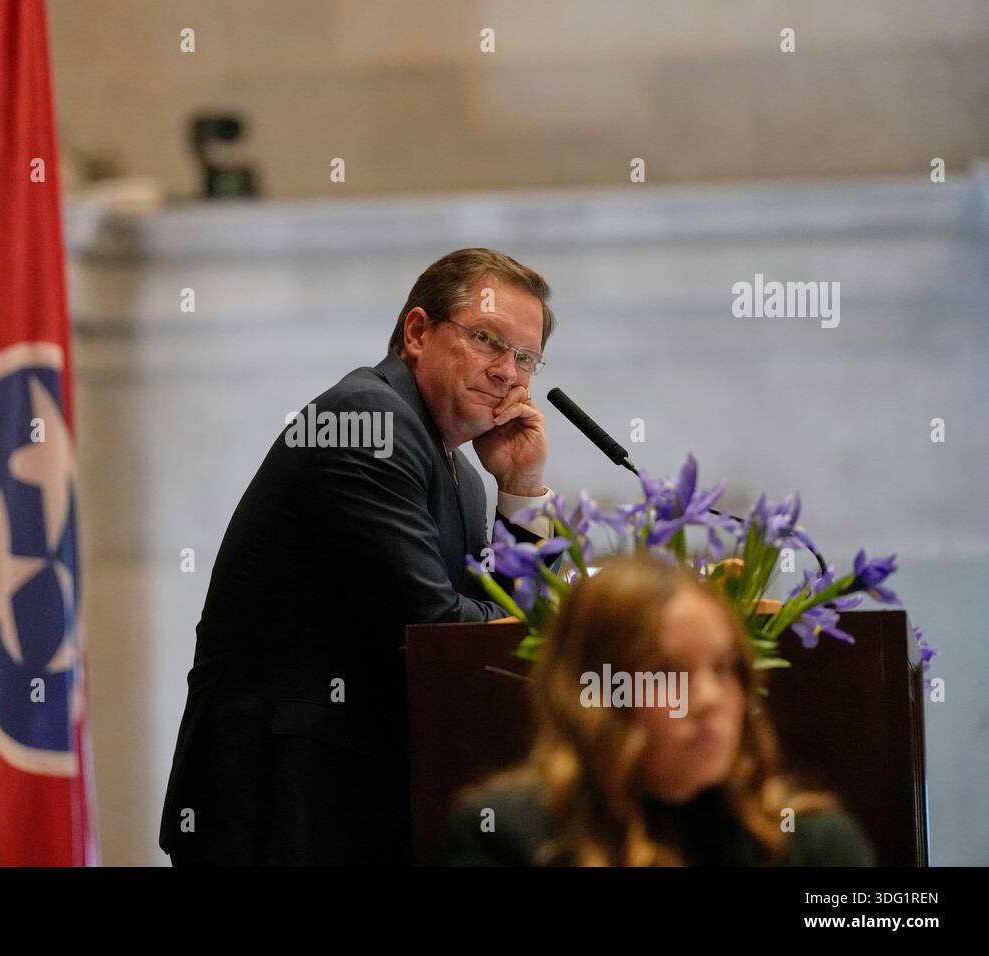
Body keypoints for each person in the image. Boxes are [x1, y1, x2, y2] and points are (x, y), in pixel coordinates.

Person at [160, 248, 563, 865]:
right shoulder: (367, 421)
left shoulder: (461, 470)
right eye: (487, 340)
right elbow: (438, 632)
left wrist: (523, 489)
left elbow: (489, 617)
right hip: (285, 801)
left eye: (526, 357)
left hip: (351, 799)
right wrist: (563, 632)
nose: (509, 371)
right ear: (418, 332)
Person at [445, 554, 876, 866]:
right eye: (668, 671)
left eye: (724, 668)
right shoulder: (510, 838)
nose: (709, 699)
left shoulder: (812, 844)